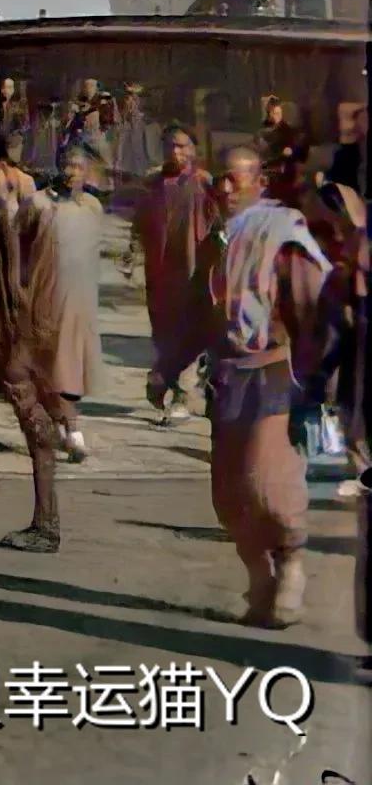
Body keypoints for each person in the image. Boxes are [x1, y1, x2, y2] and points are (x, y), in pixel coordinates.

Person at [196, 142, 333, 627]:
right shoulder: (214, 238)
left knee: (268, 484)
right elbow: (193, 309)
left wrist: (323, 371)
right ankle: (259, 578)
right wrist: (165, 367)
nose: (226, 187)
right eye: (221, 178)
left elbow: (314, 302)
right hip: (227, 375)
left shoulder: (281, 231)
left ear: (260, 181)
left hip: (277, 370)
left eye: (237, 178)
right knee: (230, 495)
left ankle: (293, 564)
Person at [129, 126, 214, 422]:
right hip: (159, 274)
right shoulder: (152, 183)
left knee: (187, 334)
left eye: (181, 146)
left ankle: (180, 394)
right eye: (169, 146)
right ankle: (162, 378)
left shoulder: (204, 184)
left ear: (193, 149)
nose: (174, 152)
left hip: (193, 275)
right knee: (163, 334)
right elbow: (139, 224)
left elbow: (219, 226)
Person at [43, 150, 108, 462]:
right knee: (55, 366)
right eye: (67, 165)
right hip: (49, 300)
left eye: (79, 167)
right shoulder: (41, 204)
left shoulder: (94, 207)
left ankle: (63, 426)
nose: (72, 172)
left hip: (83, 303)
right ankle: (72, 428)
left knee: (73, 368)